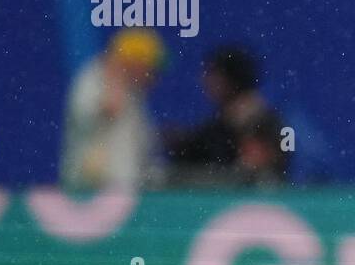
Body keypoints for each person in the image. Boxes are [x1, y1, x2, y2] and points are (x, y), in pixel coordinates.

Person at [164, 45, 288, 186]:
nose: (206, 81)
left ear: (231, 78)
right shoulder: (217, 125)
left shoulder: (266, 123)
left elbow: (262, 170)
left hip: (254, 203)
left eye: (213, 75)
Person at [60, 27, 165, 190]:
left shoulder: (135, 93)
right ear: (134, 62)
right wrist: (114, 71)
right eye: (150, 67)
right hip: (90, 191)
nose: (154, 75)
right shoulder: (93, 79)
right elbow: (110, 108)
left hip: (125, 190)